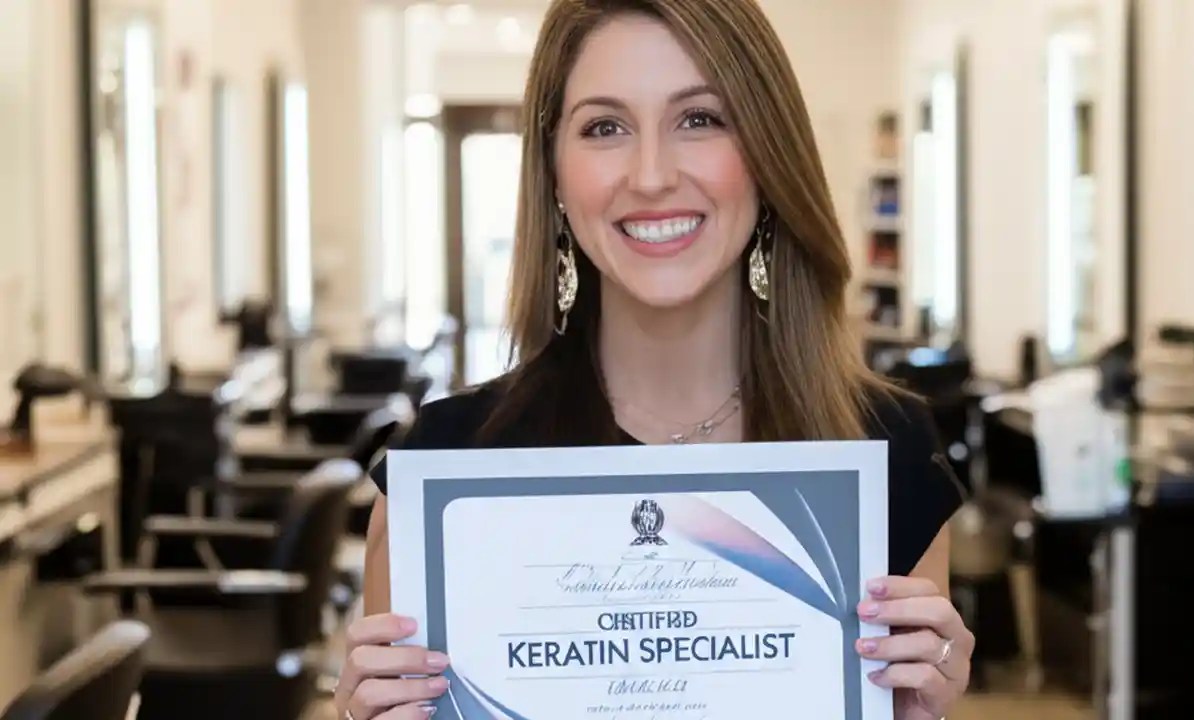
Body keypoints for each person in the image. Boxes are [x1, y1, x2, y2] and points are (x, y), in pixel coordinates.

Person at [335, 0, 972, 717]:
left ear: (767, 153)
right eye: (605, 127)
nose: (650, 174)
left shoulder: (888, 458)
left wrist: (916, 715)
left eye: (699, 118)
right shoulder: (443, 473)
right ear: (552, 173)